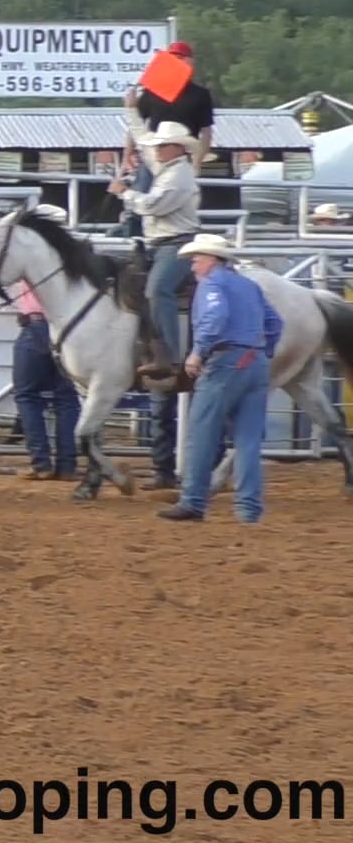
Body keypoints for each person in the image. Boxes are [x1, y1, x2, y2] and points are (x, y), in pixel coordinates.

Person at [158, 234, 281, 524]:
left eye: (196, 260)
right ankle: (248, 510)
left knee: (201, 431)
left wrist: (198, 352)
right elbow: (275, 322)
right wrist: (267, 351)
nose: (193, 267)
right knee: (249, 439)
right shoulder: (250, 285)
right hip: (256, 360)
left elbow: (215, 317)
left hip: (226, 361)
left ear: (212, 259)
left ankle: (192, 501)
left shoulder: (212, 283)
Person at [110, 119, 202, 384]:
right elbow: (143, 140)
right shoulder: (168, 167)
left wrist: (124, 193)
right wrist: (131, 110)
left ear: (176, 148)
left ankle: (169, 355)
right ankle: (147, 346)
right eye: (158, 146)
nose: (157, 150)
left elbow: (153, 206)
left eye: (162, 146)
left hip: (177, 243)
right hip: (161, 243)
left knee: (158, 289)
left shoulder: (179, 176)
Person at [13, 204, 81, 482]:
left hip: (37, 324)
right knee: (66, 397)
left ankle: (41, 461)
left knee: (27, 395)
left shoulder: (31, 255)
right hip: (68, 326)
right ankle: (67, 464)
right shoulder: (73, 256)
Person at [120, 42, 216, 236]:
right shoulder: (152, 91)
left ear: (190, 62)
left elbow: (206, 131)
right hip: (152, 150)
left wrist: (197, 162)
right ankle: (134, 233)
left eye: (181, 57)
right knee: (143, 192)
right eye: (173, 58)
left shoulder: (200, 94)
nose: (177, 61)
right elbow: (136, 124)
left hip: (183, 153)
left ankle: (176, 233)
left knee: (177, 197)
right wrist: (126, 156)